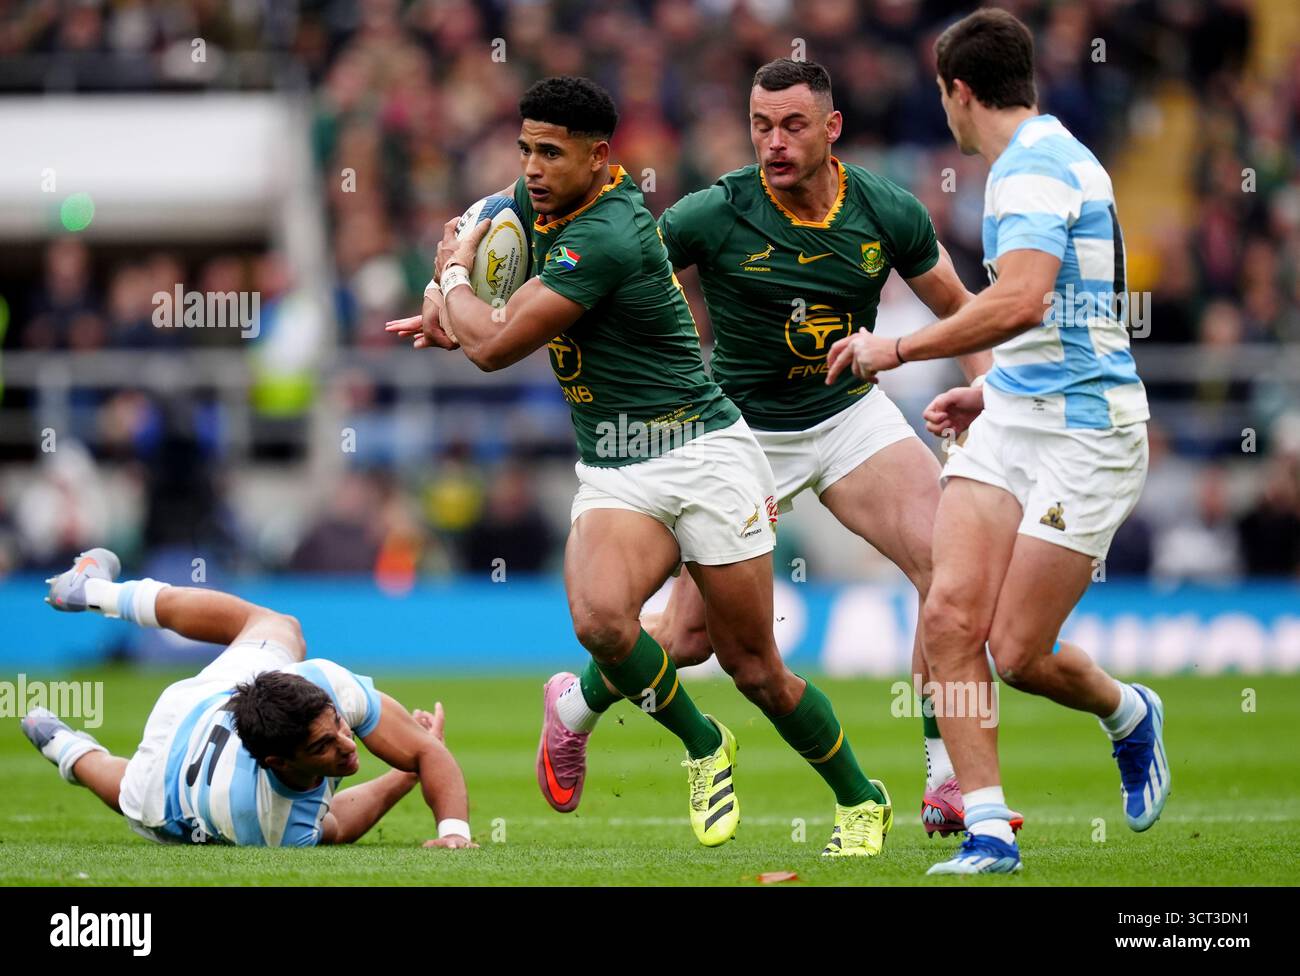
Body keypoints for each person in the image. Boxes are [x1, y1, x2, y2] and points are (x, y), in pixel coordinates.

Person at [387, 76, 891, 855]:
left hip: (704, 452)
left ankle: (861, 800)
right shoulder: (531, 200)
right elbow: (473, 242)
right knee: (599, 621)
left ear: (600, 157)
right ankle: (703, 745)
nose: (531, 167)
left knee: (753, 667)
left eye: (550, 153)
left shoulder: (613, 233)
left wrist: (454, 286)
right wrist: (441, 295)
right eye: (525, 149)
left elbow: (490, 345)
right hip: (616, 466)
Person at [826, 8, 1170, 875]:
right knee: (948, 614)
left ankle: (1128, 712)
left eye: (942, 95)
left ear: (960, 91)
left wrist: (895, 348)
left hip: (1087, 434)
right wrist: (988, 388)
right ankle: (986, 830)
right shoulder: (1033, 161)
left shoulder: (1035, 171)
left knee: (1016, 652)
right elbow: (1057, 317)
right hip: (1015, 415)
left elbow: (1018, 300)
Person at [24, 548, 475, 849]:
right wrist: (405, 775)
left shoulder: (328, 683)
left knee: (279, 625)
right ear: (278, 761)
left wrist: (450, 828)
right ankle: (66, 748)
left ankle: (94, 592)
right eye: (322, 746)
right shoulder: (269, 823)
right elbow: (336, 823)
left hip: (214, 699)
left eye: (337, 725)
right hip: (171, 781)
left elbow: (424, 750)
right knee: (126, 789)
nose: (346, 743)